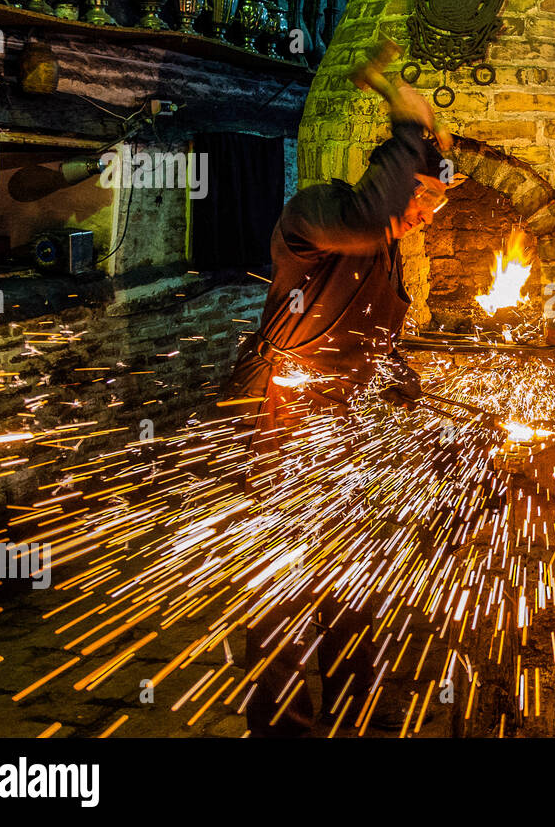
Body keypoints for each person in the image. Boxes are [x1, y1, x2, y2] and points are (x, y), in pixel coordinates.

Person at [223, 51, 464, 736]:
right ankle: (285, 727)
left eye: (435, 204)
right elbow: (369, 217)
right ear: (390, 181)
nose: (424, 216)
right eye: (420, 198)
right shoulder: (315, 216)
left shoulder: (385, 254)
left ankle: (357, 713)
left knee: (353, 576)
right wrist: (408, 121)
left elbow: (375, 345)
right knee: (287, 590)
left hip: (348, 438)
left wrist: (406, 388)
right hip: (286, 429)